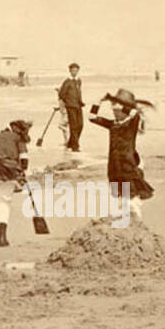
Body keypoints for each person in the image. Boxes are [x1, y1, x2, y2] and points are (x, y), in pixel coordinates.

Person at [89, 89, 154, 221]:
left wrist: (120, 103)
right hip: (114, 164)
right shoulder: (112, 124)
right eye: (114, 111)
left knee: (130, 194)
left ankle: (135, 219)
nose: (115, 112)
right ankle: (124, 214)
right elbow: (92, 117)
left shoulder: (132, 122)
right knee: (119, 192)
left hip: (127, 163)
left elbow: (134, 113)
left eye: (117, 111)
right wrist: (98, 102)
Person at [58, 62, 85, 152]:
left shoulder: (78, 80)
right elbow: (61, 94)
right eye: (73, 70)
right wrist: (67, 102)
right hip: (70, 106)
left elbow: (79, 92)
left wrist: (80, 101)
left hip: (78, 105)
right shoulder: (67, 81)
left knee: (80, 125)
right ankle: (75, 147)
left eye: (76, 70)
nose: (74, 72)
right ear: (70, 71)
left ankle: (71, 142)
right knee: (73, 126)